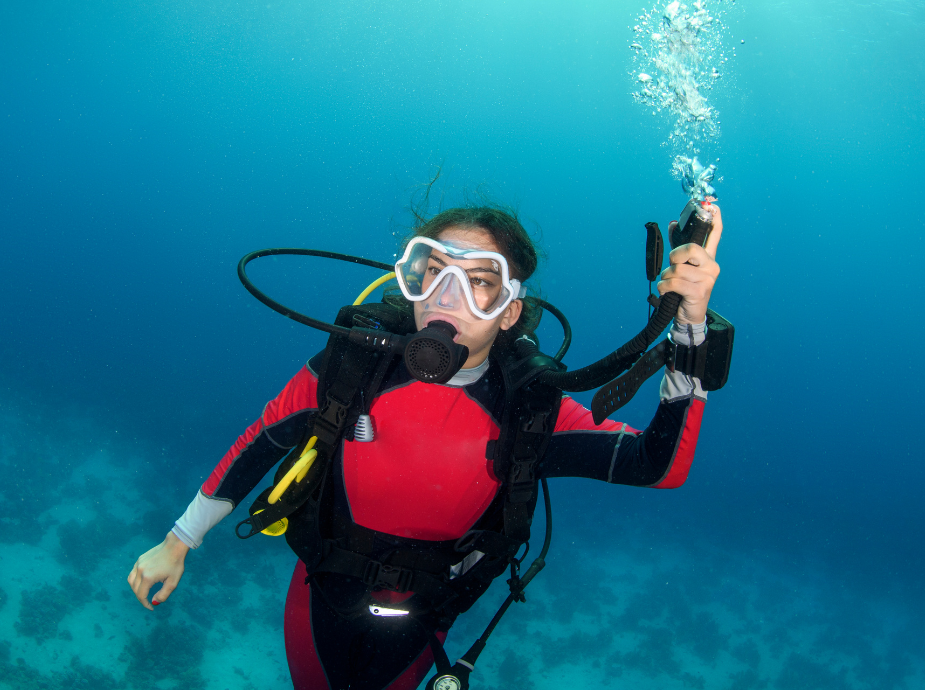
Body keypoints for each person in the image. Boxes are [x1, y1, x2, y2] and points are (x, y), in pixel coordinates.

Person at [128, 203, 723, 690]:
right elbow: (258, 444)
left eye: (478, 283)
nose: (446, 296)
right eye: (431, 272)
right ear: (408, 282)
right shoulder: (348, 369)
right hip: (320, 595)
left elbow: (658, 466)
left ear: (510, 311)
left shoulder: (530, 411)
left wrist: (691, 322)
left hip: (426, 619)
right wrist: (177, 541)